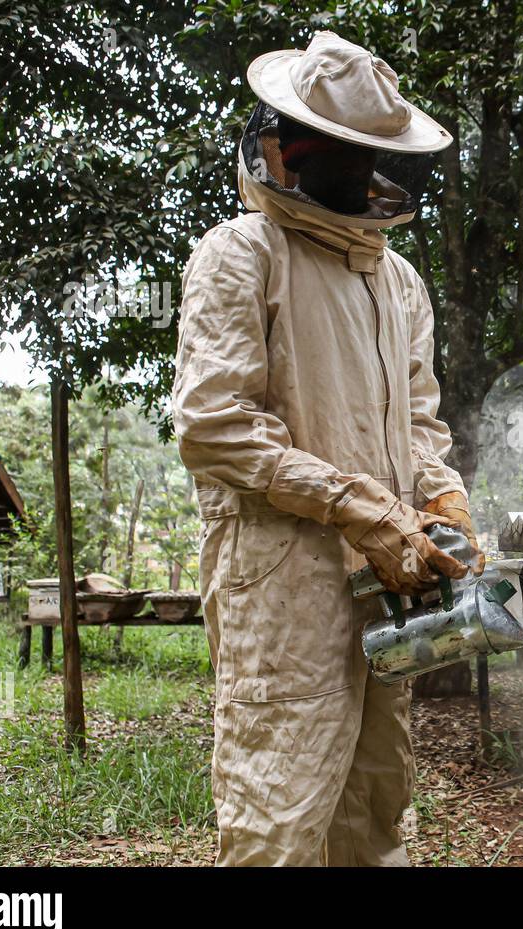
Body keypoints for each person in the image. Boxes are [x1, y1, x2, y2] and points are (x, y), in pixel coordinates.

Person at [171, 31, 485, 866]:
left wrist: (442, 499)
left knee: (375, 803)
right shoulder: (243, 252)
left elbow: (418, 423)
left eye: (365, 156)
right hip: (283, 585)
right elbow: (213, 424)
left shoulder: (399, 280)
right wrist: (355, 506)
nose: (347, 171)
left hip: (388, 580)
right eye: (325, 150)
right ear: (287, 146)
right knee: (282, 810)